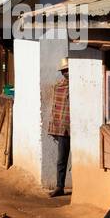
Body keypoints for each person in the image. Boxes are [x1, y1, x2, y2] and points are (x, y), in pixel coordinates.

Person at [47, 56, 70, 197]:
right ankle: (59, 186)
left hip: (76, 128)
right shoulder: (59, 87)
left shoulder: (78, 86)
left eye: (67, 70)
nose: (66, 73)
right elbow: (56, 108)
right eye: (64, 70)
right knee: (61, 159)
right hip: (63, 128)